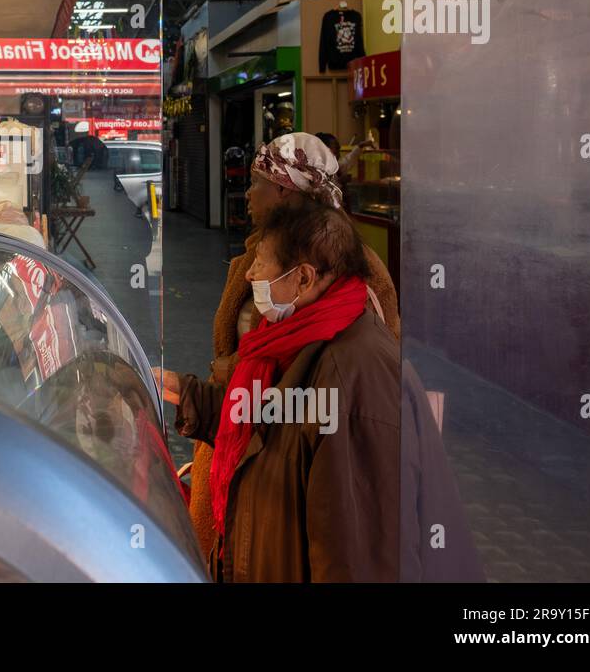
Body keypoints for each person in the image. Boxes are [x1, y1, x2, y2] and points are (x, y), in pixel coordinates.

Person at [157, 203, 480, 581]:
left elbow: (357, 558)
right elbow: (275, 421)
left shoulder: (353, 377)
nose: (250, 275)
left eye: (261, 264)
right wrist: (187, 393)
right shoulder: (300, 339)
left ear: (304, 278)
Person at [155, 131, 399, 558]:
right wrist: (191, 393)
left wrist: (225, 381)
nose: (247, 193)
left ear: (285, 191)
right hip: (249, 451)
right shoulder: (261, 253)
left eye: (257, 183)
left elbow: (350, 530)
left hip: (285, 487)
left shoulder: (348, 281)